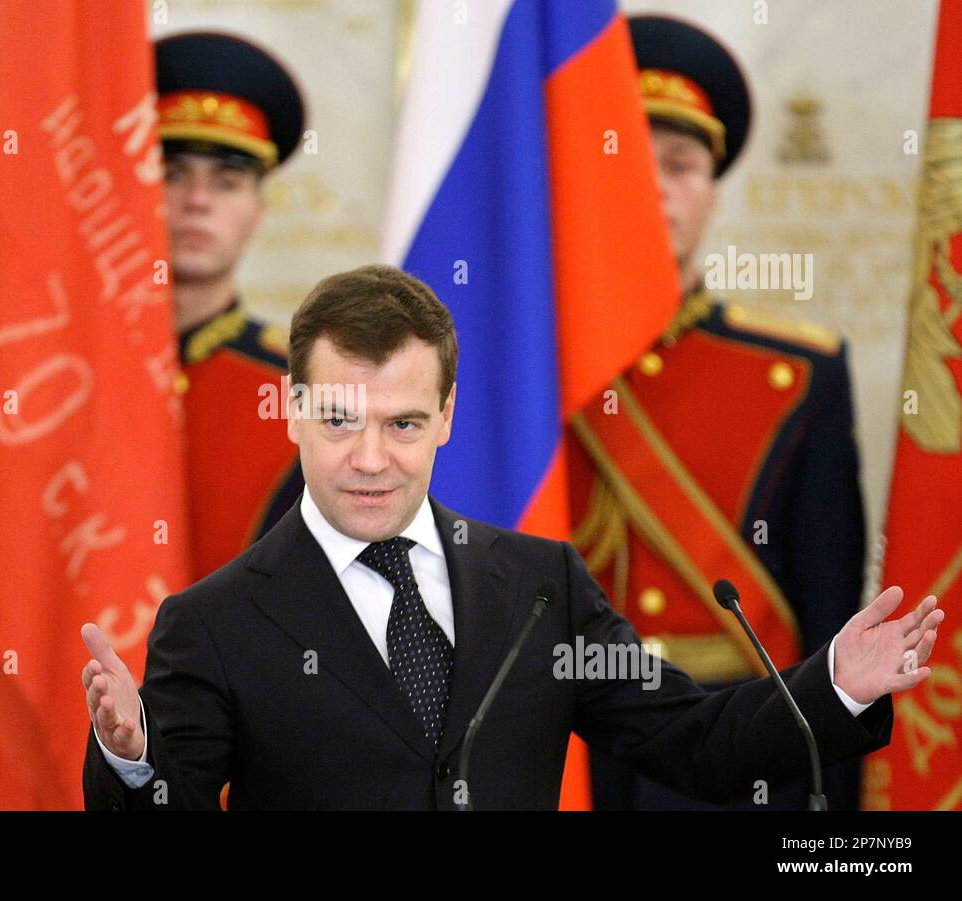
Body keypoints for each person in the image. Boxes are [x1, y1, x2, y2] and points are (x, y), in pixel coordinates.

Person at [78, 264, 941, 811]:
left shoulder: (542, 585)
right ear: (294, 412)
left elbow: (695, 743)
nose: (371, 458)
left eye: (405, 423)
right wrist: (132, 757)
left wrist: (836, 684)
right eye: (341, 421)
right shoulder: (214, 622)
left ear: (447, 417)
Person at [566, 14, 870, 810]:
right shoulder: (517, 376)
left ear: (711, 188)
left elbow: (829, 625)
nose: (655, 185)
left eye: (682, 163)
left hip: (736, 759)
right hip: (554, 746)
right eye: (629, 156)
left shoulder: (796, 372)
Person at [0, 31, 306, 648]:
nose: (195, 202)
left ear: (257, 209)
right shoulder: (54, 366)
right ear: (127, 188)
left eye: (226, 180)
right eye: (170, 171)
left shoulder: (303, 398)